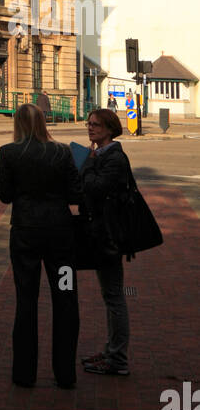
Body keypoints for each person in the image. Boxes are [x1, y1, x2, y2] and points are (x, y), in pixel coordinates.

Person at [0, 103, 81, 388]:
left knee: (26, 299)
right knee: (66, 297)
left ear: (17, 124)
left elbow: (4, 196)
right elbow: (74, 194)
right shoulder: (63, 152)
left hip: (25, 233)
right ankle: (65, 373)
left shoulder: (8, 153)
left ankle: (24, 374)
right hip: (61, 234)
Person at [80, 108, 131, 376]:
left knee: (114, 297)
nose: (91, 128)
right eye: (89, 124)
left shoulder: (114, 158)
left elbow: (97, 187)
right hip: (101, 233)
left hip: (110, 237)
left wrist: (86, 164)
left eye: (96, 125)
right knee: (110, 295)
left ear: (110, 128)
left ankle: (118, 360)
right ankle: (112, 351)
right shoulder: (102, 153)